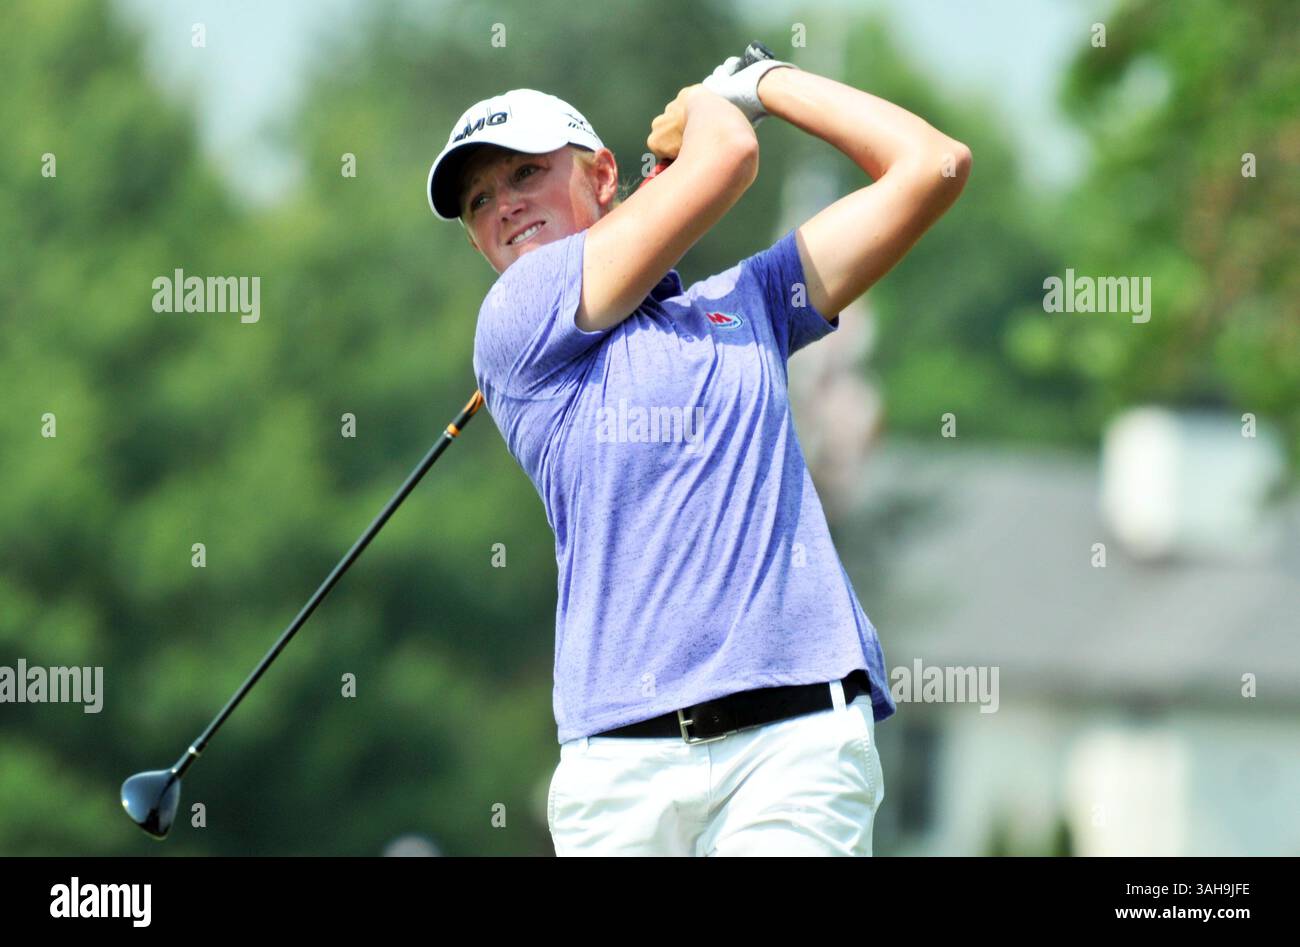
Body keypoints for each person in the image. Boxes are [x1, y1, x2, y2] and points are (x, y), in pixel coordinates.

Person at [425, 54, 970, 856]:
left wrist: (768, 80)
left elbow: (932, 165)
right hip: (620, 771)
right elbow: (728, 159)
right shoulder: (514, 320)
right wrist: (717, 104)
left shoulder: (746, 305)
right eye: (479, 200)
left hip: (793, 748)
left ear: (603, 174)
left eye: (526, 174)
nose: (502, 206)